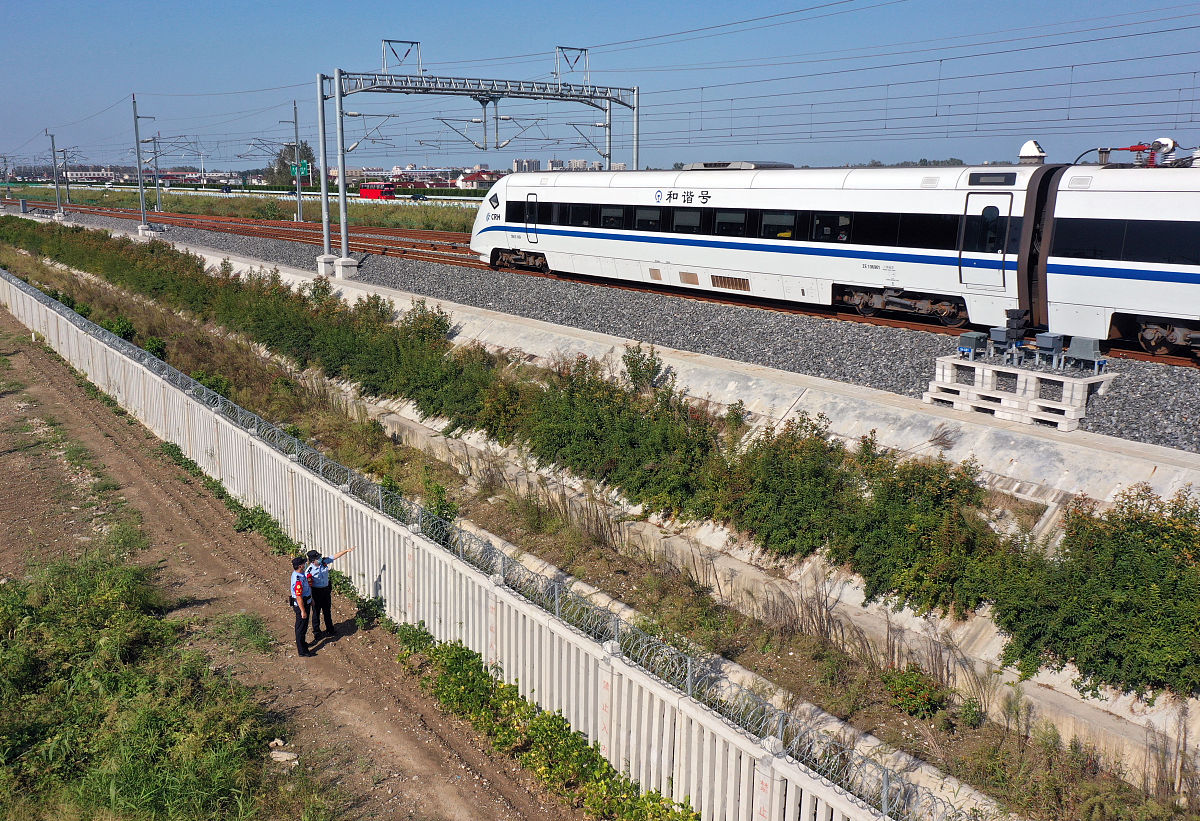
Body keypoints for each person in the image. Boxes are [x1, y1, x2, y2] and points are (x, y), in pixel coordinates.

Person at [306, 546, 355, 639]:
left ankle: (330, 629)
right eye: (317, 558)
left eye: (319, 557)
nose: (320, 559)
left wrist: (346, 551)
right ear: (313, 561)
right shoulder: (309, 571)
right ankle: (317, 632)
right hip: (316, 592)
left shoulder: (324, 562)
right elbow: (307, 585)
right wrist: (311, 598)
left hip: (326, 590)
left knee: (327, 611)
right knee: (316, 613)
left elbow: (334, 556)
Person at [290, 556, 315, 657]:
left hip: (306, 602)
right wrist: (303, 611)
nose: (306, 564)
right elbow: (299, 597)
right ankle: (302, 651)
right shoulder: (298, 579)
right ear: (300, 566)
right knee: (301, 628)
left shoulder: (301, 574)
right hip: (302, 605)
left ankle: (303, 644)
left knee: (304, 627)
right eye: (304, 563)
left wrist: (311, 599)